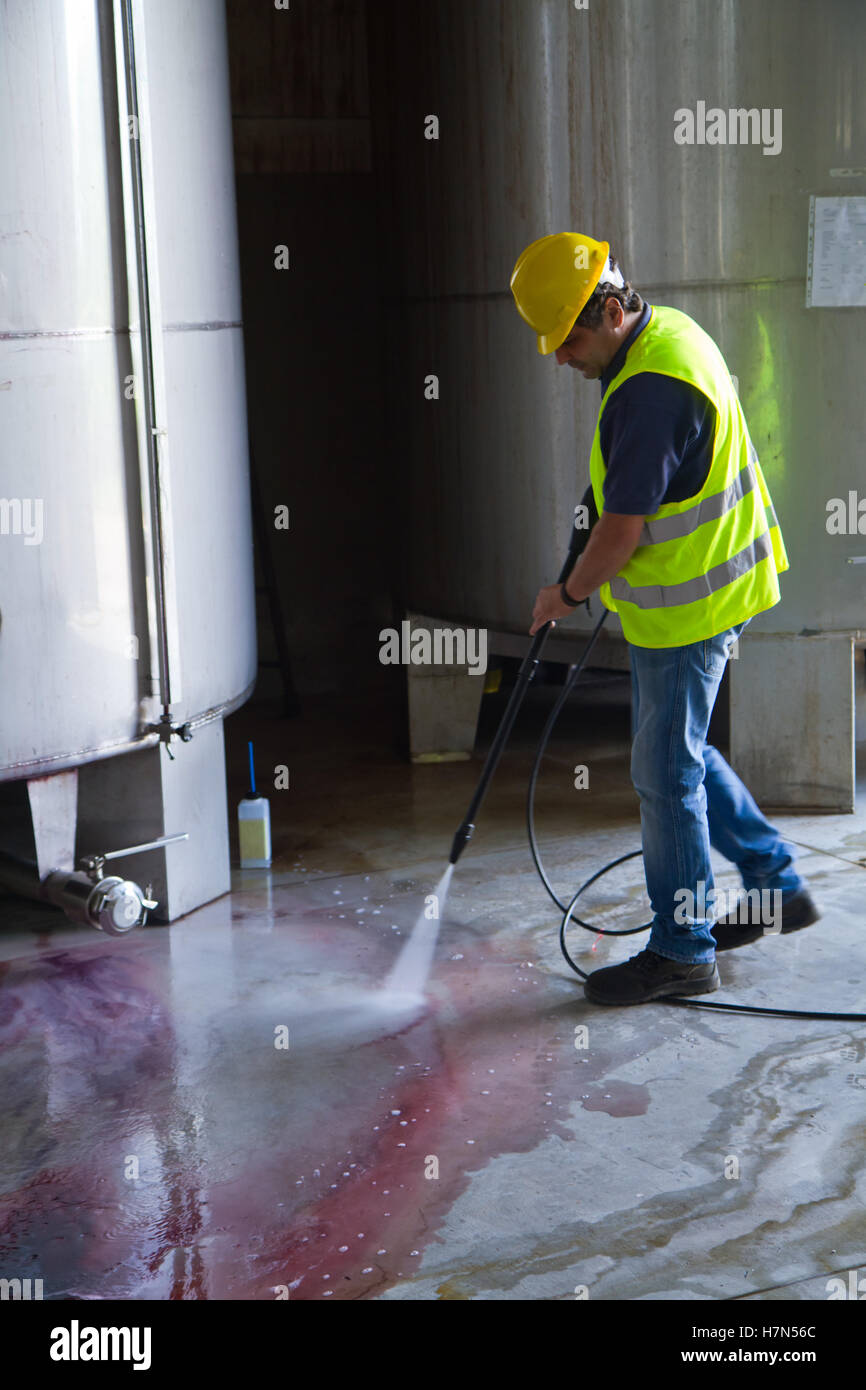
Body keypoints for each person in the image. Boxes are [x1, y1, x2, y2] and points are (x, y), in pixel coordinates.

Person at [509, 232, 819, 1006]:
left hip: (690, 607)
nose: (560, 358)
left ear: (611, 311)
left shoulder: (649, 391)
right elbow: (632, 491)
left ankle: (683, 948)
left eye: (568, 339)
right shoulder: (667, 334)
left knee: (664, 772)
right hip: (711, 586)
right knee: (677, 751)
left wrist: (567, 596)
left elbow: (623, 532)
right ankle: (777, 884)